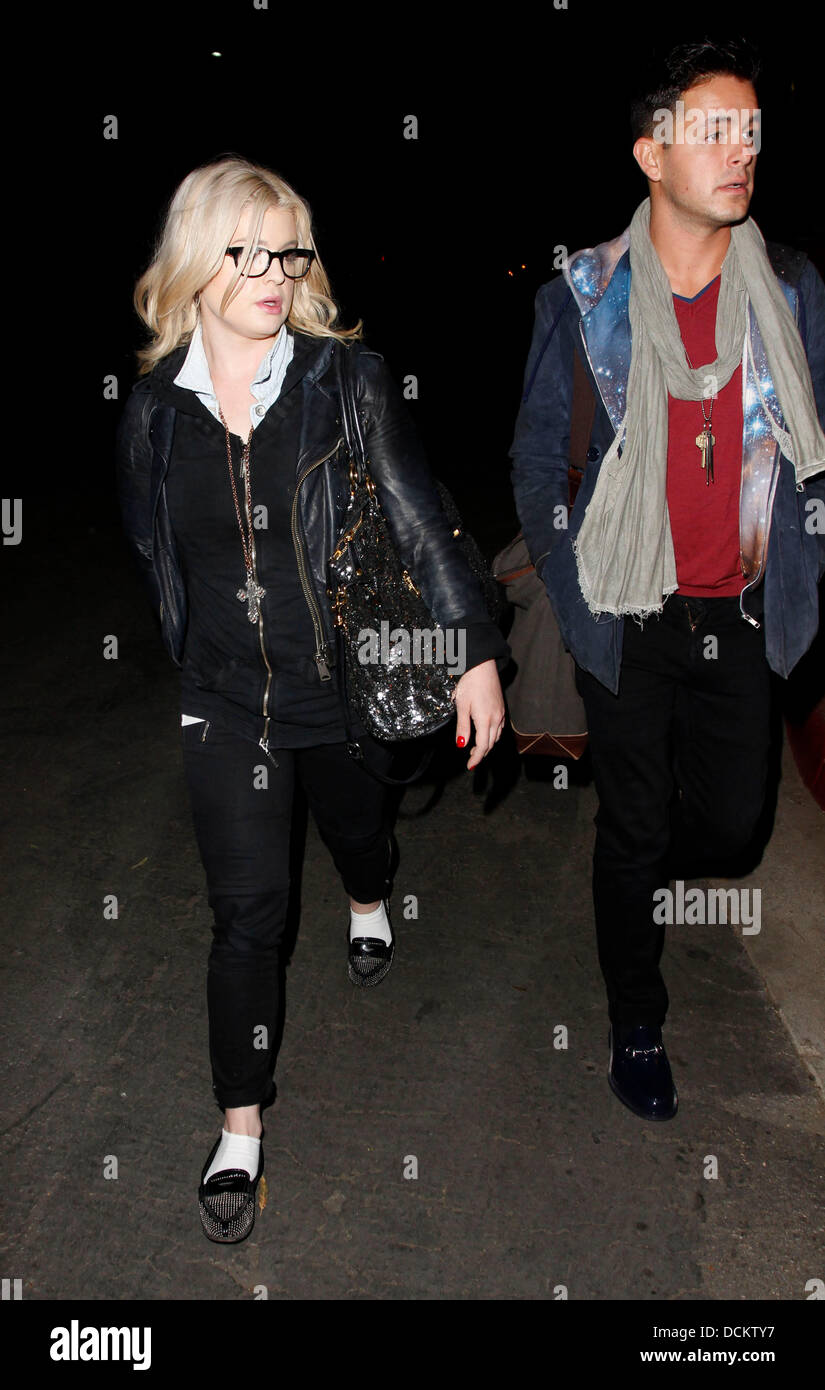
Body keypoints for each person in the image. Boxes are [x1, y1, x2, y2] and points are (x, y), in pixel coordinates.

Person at [115, 155, 507, 1241]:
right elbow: (156, 554)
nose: (272, 274)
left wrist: (470, 652)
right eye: (244, 252)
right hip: (225, 702)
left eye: (286, 252)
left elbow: (419, 519)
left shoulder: (347, 380)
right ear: (195, 262)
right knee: (247, 915)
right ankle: (240, 1124)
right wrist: (203, 666)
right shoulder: (151, 413)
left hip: (339, 685)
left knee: (357, 831)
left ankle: (371, 896)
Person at [510, 39, 825, 1121]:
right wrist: (576, 589)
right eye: (713, 131)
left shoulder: (791, 289)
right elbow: (536, 456)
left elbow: (818, 452)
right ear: (651, 154)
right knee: (635, 827)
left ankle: (635, 870)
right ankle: (635, 1021)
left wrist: (808, 568)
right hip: (628, 608)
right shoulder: (583, 295)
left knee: (734, 830)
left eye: (751, 132)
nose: (742, 152)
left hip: (742, 608)